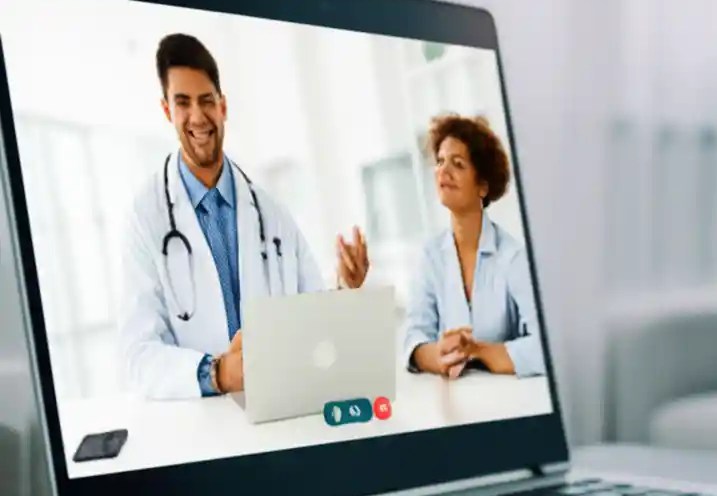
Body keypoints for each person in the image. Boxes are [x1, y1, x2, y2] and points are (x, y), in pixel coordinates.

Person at [119, 33, 370, 400]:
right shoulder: (146, 218)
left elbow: (313, 317)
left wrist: (346, 289)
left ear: (223, 107)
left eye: (207, 101)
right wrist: (217, 373)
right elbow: (138, 357)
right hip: (202, 421)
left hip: (278, 408)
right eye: (183, 102)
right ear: (167, 111)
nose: (197, 117)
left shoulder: (271, 212)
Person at [402, 113, 544, 378]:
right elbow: (414, 335)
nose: (443, 171)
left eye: (457, 164)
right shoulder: (430, 255)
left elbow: (545, 347)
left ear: (482, 186)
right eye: (440, 161)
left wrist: (479, 351)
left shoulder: (513, 257)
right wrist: (437, 355)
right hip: (453, 396)